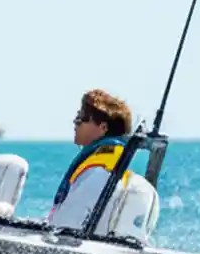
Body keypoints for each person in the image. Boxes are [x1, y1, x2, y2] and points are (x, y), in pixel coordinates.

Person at [47, 89, 135, 226]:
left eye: (81, 118)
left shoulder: (99, 172)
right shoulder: (106, 163)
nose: (75, 123)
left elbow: (65, 224)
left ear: (103, 127)